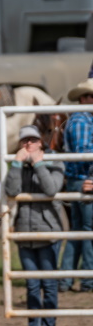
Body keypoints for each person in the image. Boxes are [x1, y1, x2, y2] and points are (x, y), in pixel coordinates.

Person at [5, 125, 65, 326]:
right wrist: (16, 164)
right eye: (24, 140)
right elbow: (11, 190)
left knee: (48, 285)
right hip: (24, 233)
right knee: (31, 285)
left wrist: (39, 164)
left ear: (41, 142)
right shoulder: (17, 164)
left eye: (33, 140)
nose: (28, 144)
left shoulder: (55, 161)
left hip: (48, 232)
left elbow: (51, 189)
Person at [59, 78, 93, 293]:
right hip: (84, 180)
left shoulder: (81, 119)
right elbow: (83, 153)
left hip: (79, 180)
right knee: (88, 230)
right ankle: (88, 279)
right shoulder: (81, 120)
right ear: (84, 98)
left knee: (79, 230)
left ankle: (66, 279)